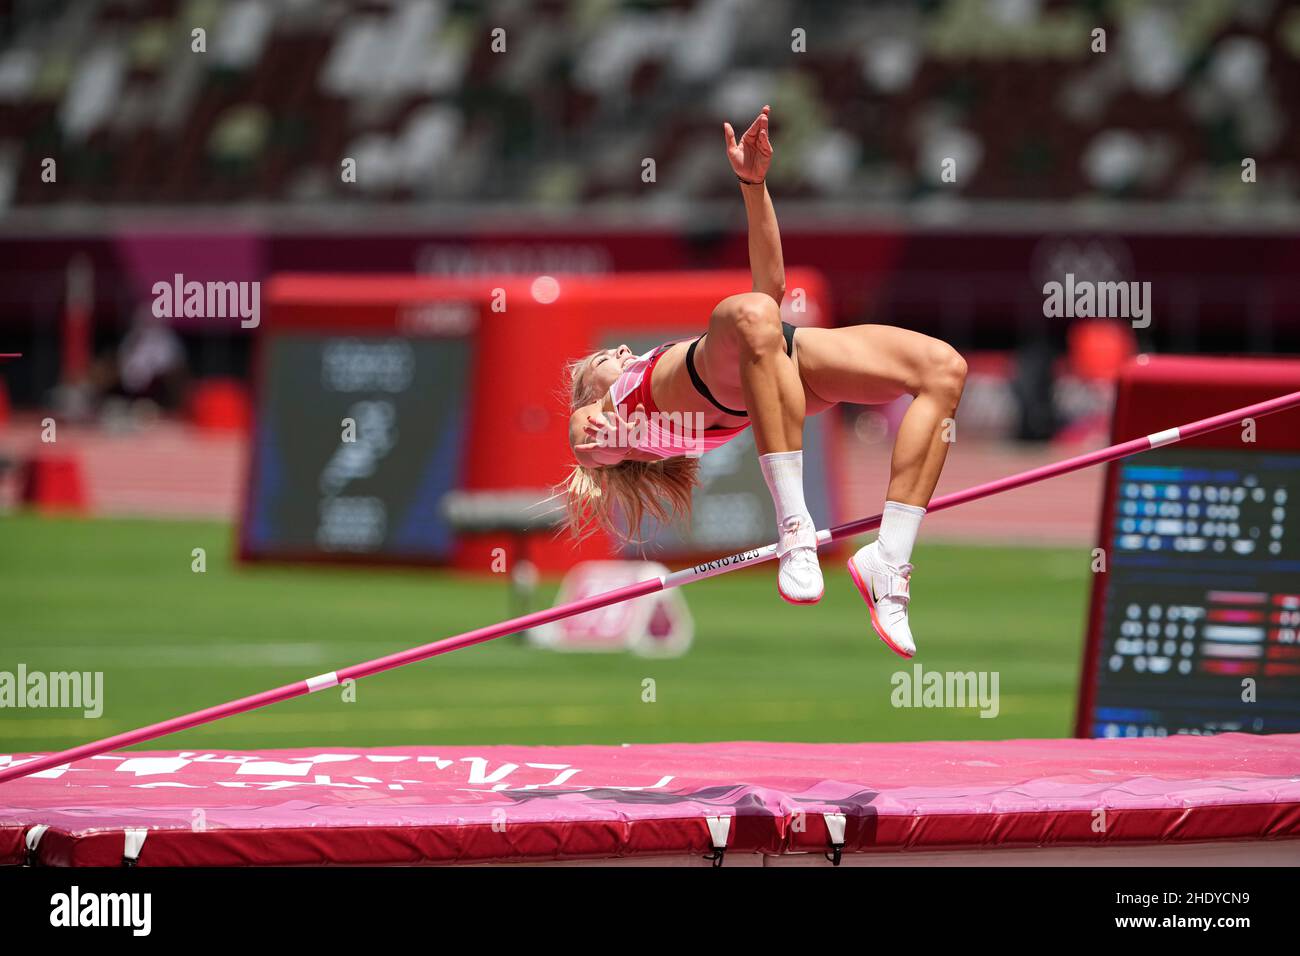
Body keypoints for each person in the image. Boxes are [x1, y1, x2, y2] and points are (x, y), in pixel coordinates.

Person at [562, 106, 966, 658]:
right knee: (752, 315)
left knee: (943, 368)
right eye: (606, 356)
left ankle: (889, 563)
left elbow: (771, 290)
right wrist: (603, 443)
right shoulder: (611, 412)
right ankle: (795, 530)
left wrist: (753, 184)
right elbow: (587, 446)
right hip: (734, 370)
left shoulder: (659, 385)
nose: (622, 351)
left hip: (774, 361)